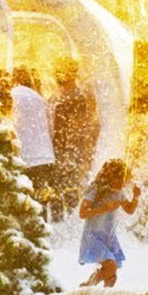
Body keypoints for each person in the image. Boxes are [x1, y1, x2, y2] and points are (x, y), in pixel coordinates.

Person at [50, 56, 100, 218]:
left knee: (66, 191)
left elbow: (80, 127)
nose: (56, 75)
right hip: (63, 149)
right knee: (61, 191)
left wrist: (78, 153)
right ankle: (62, 223)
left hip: (68, 150)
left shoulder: (76, 97)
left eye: (59, 72)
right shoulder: (64, 95)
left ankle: (66, 226)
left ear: (68, 74)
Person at [78, 158, 140, 288]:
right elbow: (83, 213)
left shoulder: (118, 192)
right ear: (111, 176)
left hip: (109, 236)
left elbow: (129, 210)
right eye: (122, 179)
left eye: (126, 180)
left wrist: (135, 197)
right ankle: (88, 286)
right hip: (93, 236)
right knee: (110, 266)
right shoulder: (96, 189)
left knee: (112, 275)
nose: (124, 183)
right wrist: (106, 207)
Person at [9, 66, 55, 201]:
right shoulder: (38, 98)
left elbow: (12, 124)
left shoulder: (12, 95)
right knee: (41, 200)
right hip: (44, 156)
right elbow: (50, 126)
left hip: (25, 156)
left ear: (14, 78)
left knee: (25, 203)